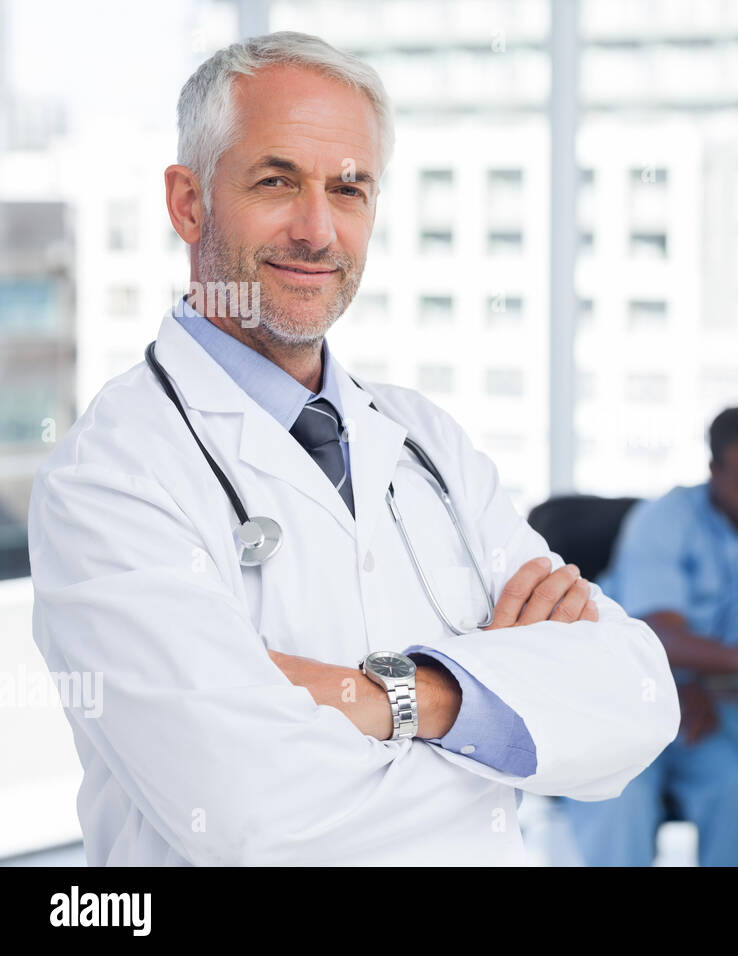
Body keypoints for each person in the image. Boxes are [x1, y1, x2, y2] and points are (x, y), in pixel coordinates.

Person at [25, 32, 678, 866]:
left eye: (349, 188)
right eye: (277, 181)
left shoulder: (426, 441)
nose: (317, 229)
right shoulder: (111, 477)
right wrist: (500, 719)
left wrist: (397, 698)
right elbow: (250, 812)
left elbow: (641, 696)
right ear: (188, 202)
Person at [563, 406, 738, 866]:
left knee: (736, 789)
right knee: (620, 799)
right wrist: (720, 670)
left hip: (706, 710)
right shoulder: (662, 519)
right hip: (624, 704)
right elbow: (656, 634)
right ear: (714, 472)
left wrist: (720, 674)